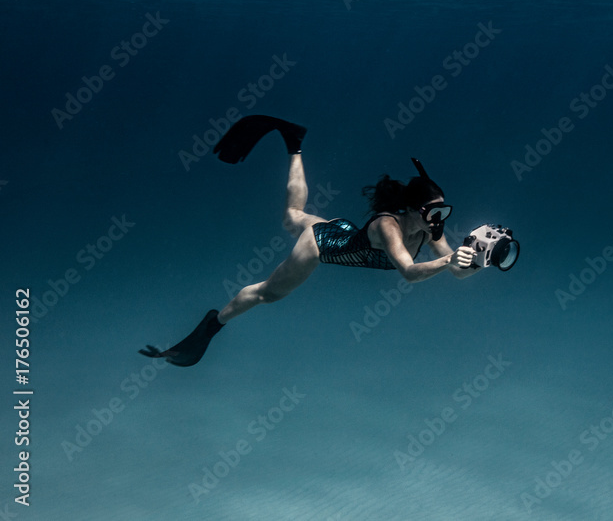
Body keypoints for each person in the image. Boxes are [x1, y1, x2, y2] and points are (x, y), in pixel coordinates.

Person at [139, 115, 477, 366]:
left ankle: (293, 142)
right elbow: (408, 271)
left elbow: (457, 271)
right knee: (267, 294)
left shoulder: (429, 227)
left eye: (443, 212)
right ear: (410, 209)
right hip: (321, 246)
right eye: (433, 212)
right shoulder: (390, 225)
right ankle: (212, 326)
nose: (439, 220)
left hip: (343, 231)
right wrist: (447, 261)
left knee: (291, 216)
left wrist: (476, 260)